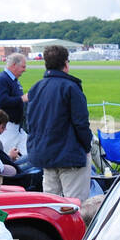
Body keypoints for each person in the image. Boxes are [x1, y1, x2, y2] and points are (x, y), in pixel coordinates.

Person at [25, 44, 92, 203]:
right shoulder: (71, 87)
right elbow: (81, 123)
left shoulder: (36, 88)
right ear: (66, 64)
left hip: (44, 154)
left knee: (51, 204)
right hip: (69, 156)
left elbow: (29, 122)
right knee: (75, 205)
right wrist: (86, 146)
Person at [0, 53, 29, 157]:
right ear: (13, 65)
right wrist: (22, 99)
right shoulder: (1, 79)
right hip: (7, 127)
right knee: (6, 154)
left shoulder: (14, 81)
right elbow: (2, 101)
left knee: (26, 154)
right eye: (23, 67)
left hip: (17, 127)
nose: (25, 70)